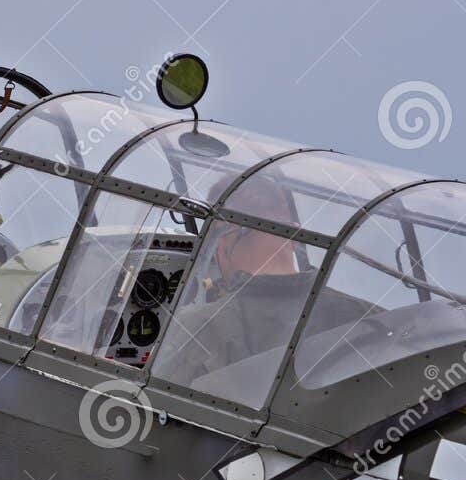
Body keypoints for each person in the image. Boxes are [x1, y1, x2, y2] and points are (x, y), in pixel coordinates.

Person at [155, 173, 367, 405]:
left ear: (221, 243)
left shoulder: (199, 324)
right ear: (295, 235)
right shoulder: (364, 314)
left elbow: (154, 405)